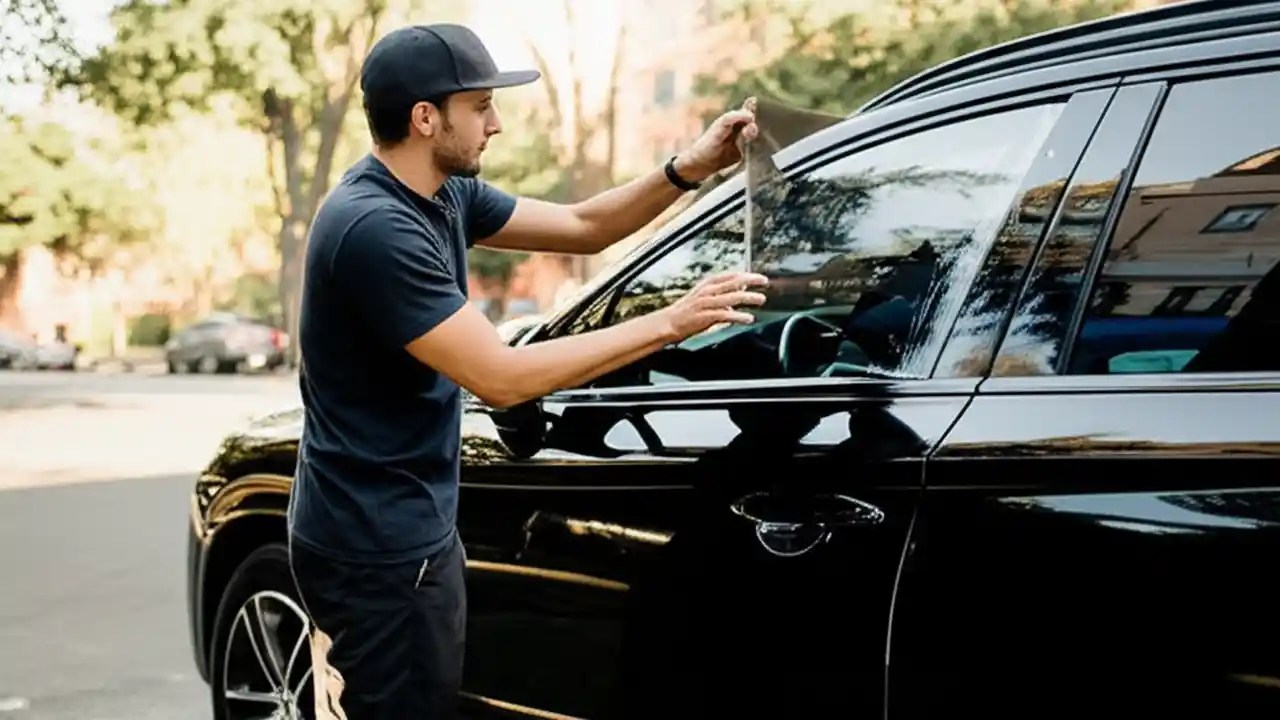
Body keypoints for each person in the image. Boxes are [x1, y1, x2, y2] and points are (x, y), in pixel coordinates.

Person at [285, 21, 767, 720]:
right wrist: (671, 322)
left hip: (391, 522)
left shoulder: (442, 194)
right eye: (479, 106)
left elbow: (580, 226)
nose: (497, 123)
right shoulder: (375, 229)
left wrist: (688, 168)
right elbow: (501, 377)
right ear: (426, 118)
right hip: (379, 546)